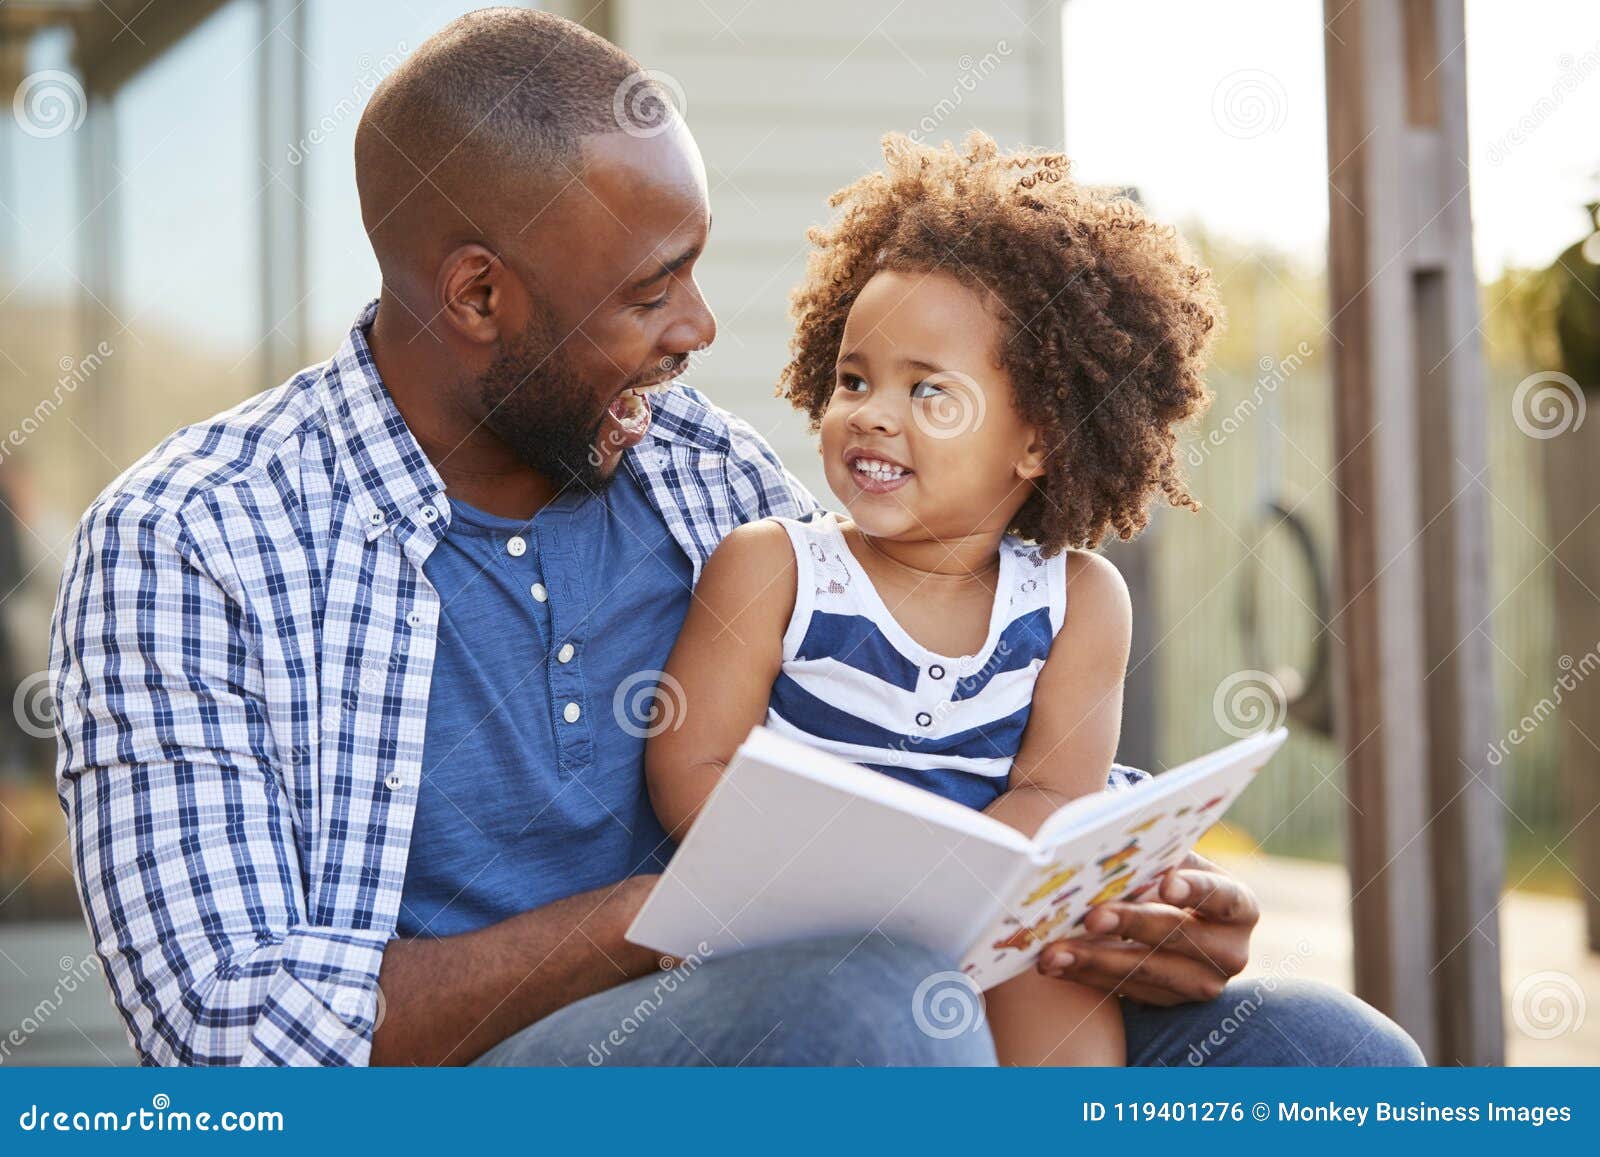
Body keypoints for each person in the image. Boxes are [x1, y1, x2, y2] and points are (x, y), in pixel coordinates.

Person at [48, 7, 1422, 1068]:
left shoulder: (703, 472)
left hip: (863, 1009)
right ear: (479, 295)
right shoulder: (193, 543)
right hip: (495, 1077)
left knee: (1331, 1058)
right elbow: (230, 1034)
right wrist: (662, 916)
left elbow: (926, 723)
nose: (703, 331)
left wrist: (1126, 892)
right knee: (867, 1009)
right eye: (655, 290)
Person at [645, 132, 1220, 1066]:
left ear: (1036, 439)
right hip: (786, 920)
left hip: (977, 909)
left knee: (1050, 975)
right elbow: (690, 763)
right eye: (855, 378)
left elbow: (1050, 795)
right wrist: (842, 888)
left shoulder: (1077, 602)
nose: (872, 411)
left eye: (928, 392)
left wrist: (946, 892)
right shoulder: (777, 569)